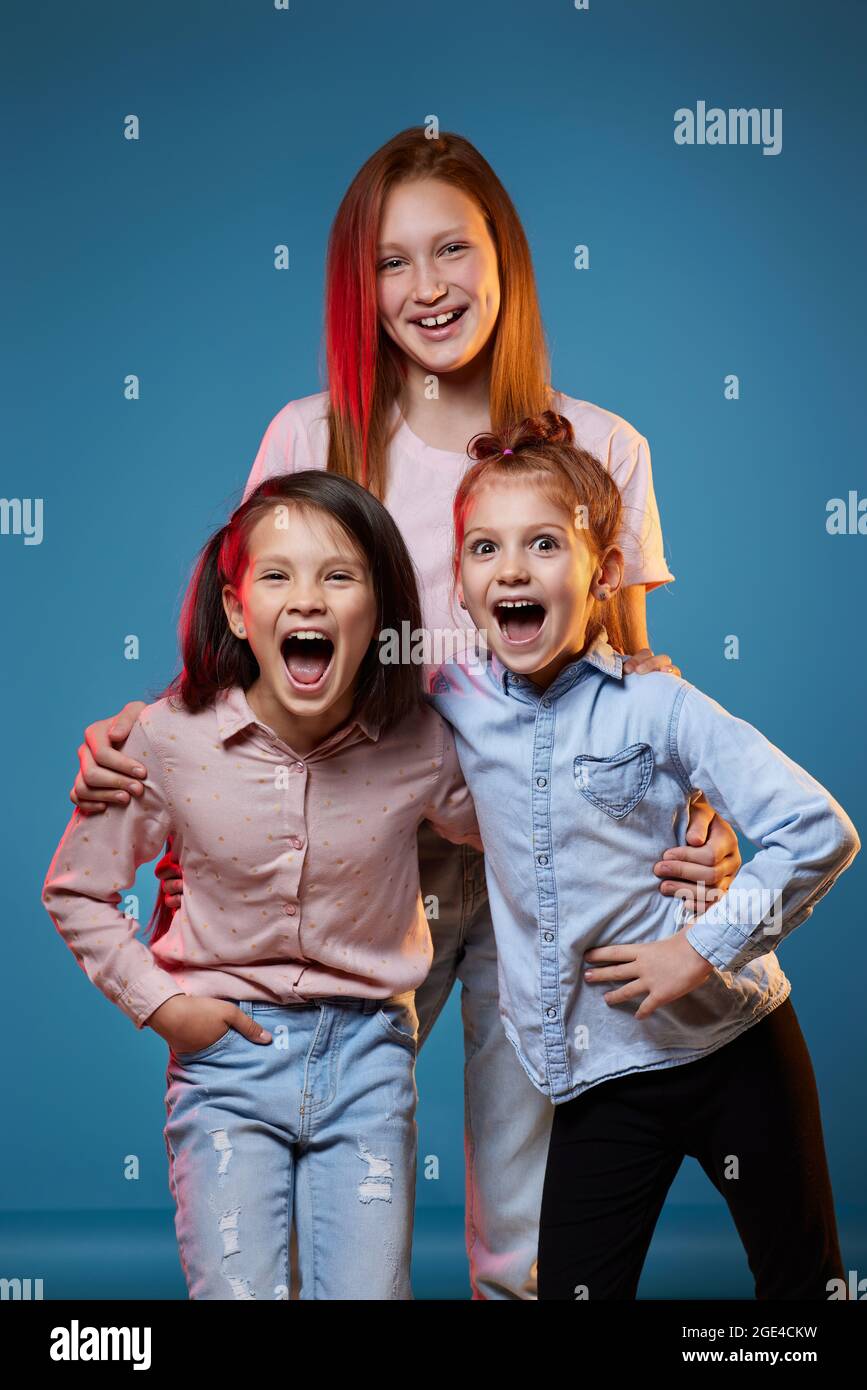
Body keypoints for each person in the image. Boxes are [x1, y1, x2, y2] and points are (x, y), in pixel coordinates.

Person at [64, 127, 741, 1300]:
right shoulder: (312, 435)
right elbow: (252, 635)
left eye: (453, 252)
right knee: (286, 1143)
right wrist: (147, 729)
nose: (427, 289)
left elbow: (636, 676)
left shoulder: (607, 447)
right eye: (392, 262)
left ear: (507, 260)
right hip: (363, 859)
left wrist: (705, 805)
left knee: (524, 1217)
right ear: (356, 285)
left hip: (545, 857)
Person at [426, 410, 860, 1300]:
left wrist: (695, 951)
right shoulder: (450, 700)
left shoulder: (658, 705)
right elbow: (321, 716)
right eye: (484, 549)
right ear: (461, 586)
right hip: (599, 1076)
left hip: (735, 1048)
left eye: (544, 544)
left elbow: (820, 831)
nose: (510, 569)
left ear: (603, 573)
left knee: (801, 1288)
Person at [42, 471, 484, 1300]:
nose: (308, 600)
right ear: (239, 611)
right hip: (225, 1071)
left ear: (380, 616)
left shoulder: (421, 743)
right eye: (277, 576)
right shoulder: (165, 742)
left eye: (339, 576)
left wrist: (676, 807)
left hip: (370, 1060)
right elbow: (76, 890)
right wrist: (162, 1005)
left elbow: (520, 829)